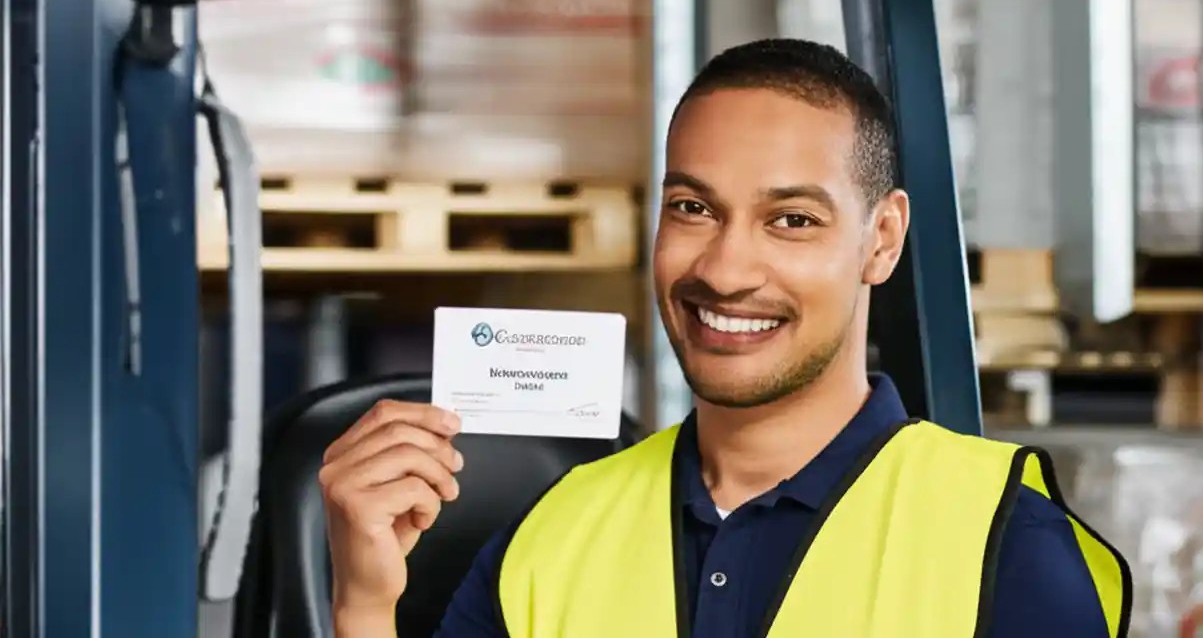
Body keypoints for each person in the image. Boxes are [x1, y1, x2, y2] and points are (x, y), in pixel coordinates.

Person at [320, 39, 1132, 637]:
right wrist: (364, 603)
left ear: (881, 241)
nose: (727, 268)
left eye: (792, 220)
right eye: (693, 208)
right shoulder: (553, 537)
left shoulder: (1002, 543)